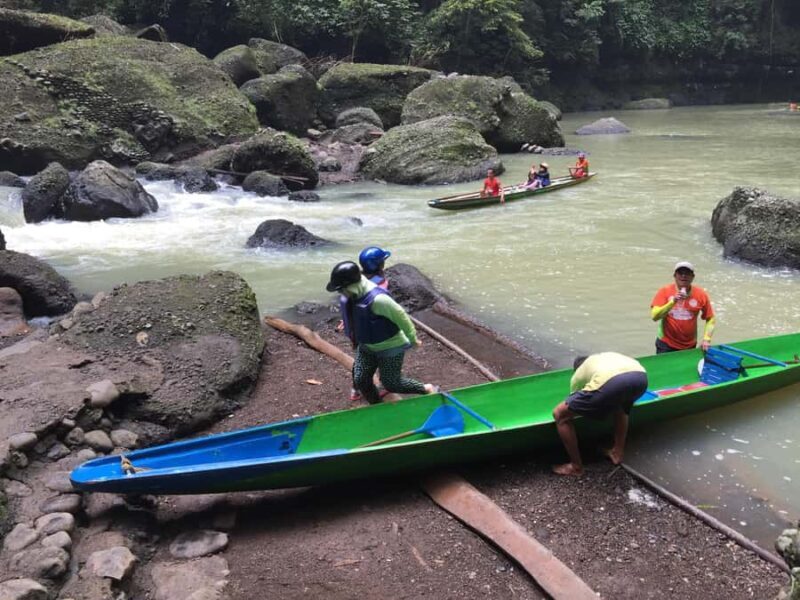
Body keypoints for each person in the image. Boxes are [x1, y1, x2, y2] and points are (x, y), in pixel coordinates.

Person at [327, 261, 436, 404]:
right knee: (361, 378)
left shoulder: (379, 300)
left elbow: (402, 316)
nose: (340, 292)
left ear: (351, 285)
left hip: (390, 347)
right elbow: (354, 311)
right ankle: (375, 403)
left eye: (342, 289)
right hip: (366, 345)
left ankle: (426, 388)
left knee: (392, 383)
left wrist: (413, 338)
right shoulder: (353, 294)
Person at [552, 352, 648, 476]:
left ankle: (576, 467)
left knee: (560, 415)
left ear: (577, 368)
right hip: (641, 378)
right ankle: (617, 453)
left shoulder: (579, 374)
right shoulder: (604, 357)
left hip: (613, 382)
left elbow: (575, 403)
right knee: (621, 409)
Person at [651, 261, 716, 354]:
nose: (683, 276)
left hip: (689, 345)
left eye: (687, 273)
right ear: (675, 276)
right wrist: (673, 302)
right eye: (680, 273)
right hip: (666, 343)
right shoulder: (664, 291)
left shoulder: (701, 294)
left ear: (693, 276)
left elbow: (710, 318)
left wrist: (707, 339)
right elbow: (655, 316)